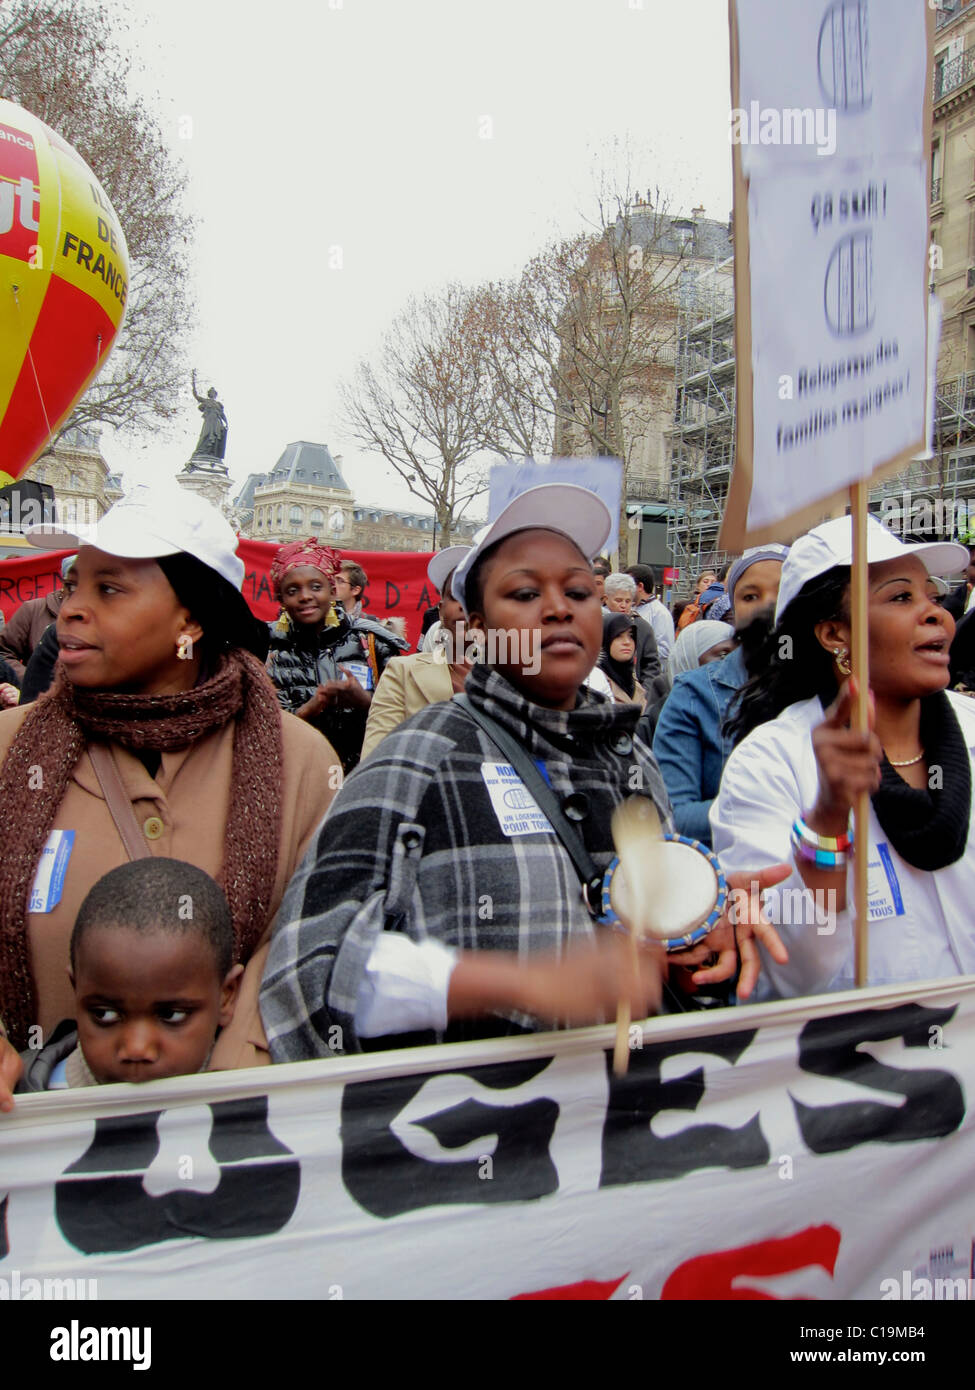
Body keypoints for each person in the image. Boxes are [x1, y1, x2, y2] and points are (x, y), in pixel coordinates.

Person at [260, 483, 788, 1060]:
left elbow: (654, 966)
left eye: (579, 589)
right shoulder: (421, 755)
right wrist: (515, 985)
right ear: (478, 628)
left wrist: (695, 933)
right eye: (526, 592)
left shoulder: (636, 761)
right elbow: (304, 975)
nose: (559, 607)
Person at [0, 482, 340, 1073]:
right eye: (73, 586)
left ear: (191, 620)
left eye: (109, 589)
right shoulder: (9, 750)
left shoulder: (304, 759)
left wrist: (240, 1064)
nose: (74, 609)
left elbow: (320, 929)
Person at [712, 515, 975, 1000]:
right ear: (835, 634)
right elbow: (785, 974)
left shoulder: (971, 727)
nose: (936, 613)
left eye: (934, 597)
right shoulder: (771, 762)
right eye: (901, 597)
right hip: (862, 1064)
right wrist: (828, 822)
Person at [8, 859, 242, 1095]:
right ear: (76, 989)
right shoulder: (23, 1100)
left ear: (226, 996)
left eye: (172, 1015)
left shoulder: (253, 1102)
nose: (136, 1048)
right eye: (104, 1014)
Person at [652, 546, 787, 847]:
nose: (769, 606)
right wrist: (775, 813)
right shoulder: (694, 695)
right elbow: (674, 815)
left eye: (784, 590)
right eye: (750, 596)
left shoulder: (837, 689)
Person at [266, 537, 407, 772]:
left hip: (360, 779)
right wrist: (307, 711)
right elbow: (254, 730)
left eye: (315, 587)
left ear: (332, 591)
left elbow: (406, 721)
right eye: (293, 590)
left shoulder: (372, 643)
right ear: (281, 599)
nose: (305, 596)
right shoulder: (265, 648)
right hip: (291, 779)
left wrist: (365, 702)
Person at [361, 547, 476, 758]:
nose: (464, 605)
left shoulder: (524, 679)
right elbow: (375, 763)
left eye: (474, 594)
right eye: (456, 595)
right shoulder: (402, 673)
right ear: (440, 610)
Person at [603, 572, 661, 685]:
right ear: (606, 599)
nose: (623, 605)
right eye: (618, 600)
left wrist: (645, 694)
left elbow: (651, 666)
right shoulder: (596, 624)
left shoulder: (642, 627)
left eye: (628, 601)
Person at [627, 565, 675, 662]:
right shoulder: (629, 607)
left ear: (640, 586)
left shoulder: (660, 612)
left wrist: (636, 651)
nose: (625, 589)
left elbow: (666, 650)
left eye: (628, 585)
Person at [598, 613, 646, 706]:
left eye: (631, 635)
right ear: (605, 640)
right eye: (618, 636)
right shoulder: (596, 682)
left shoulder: (635, 683)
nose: (627, 642)